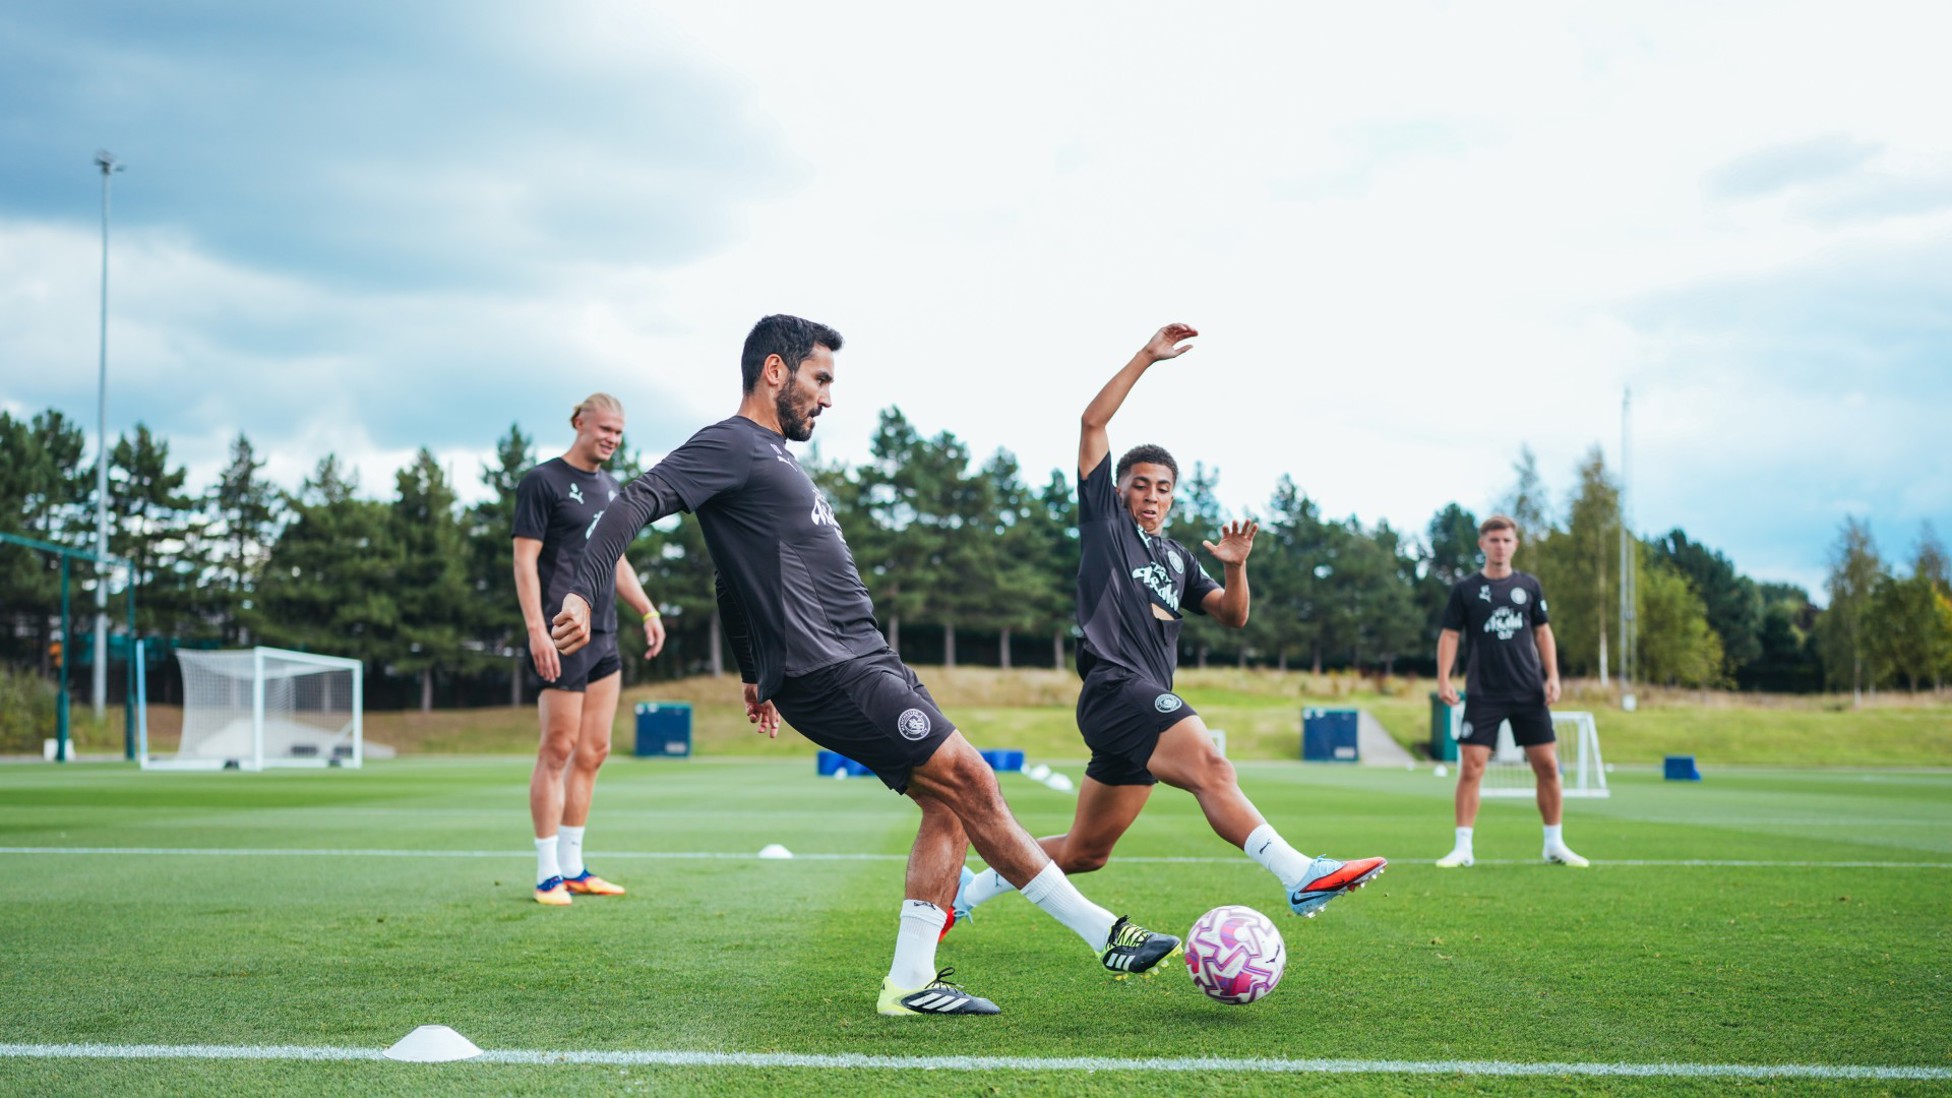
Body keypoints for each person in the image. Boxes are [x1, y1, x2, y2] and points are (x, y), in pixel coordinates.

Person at [551, 314, 1182, 1017]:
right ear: (773, 371)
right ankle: (1104, 935)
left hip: (862, 659)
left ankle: (911, 982)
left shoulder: (772, 460)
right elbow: (637, 498)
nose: (826, 397)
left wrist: (752, 673)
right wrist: (582, 586)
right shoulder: (729, 443)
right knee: (972, 778)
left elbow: (732, 577)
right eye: (819, 379)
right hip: (832, 669)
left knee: (945, 806)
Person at [955, 324, 1387, 923]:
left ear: (1173, 499)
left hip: (1137, 702)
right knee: (1213, 766)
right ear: (1118, 491)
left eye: (1162, 489)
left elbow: (1234, 618)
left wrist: (1236, 569)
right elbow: (1091, 424)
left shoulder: (1179, 558)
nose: (1151, 496)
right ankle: (1300, 875)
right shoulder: (1106, 527)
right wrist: (1146, 359)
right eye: (1140, 486)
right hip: (1115, 688)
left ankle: (966, 892)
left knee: (1085, 852)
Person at [514, 393, 667, 906]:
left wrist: (647, 610)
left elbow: (617, 562)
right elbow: (524, 561)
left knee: (594, 752)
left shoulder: (611, 489)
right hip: (561, 632)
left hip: (603, 635)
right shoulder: (543, 481)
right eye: (604, 428)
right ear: (579, 422)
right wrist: (537, 630)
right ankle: (546, 873)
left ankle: (574, 865)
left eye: (619, 433)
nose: (611, 439)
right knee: (556, 750)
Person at [1434, 514, 1588, 868]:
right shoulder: (1466, 590)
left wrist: (1553, 676)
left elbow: (1543, 632)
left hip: (1528, 690)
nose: (1500, 546)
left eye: (1506, 540)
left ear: (1515, 544)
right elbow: (1450, 635)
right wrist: (1444, 678)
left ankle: (1553, 843)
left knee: (1548, 765)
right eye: (1494, 540)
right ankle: (1463, 848)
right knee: (1471, 767)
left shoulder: (1529, 586)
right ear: (1482, 544)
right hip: (1484, 691)